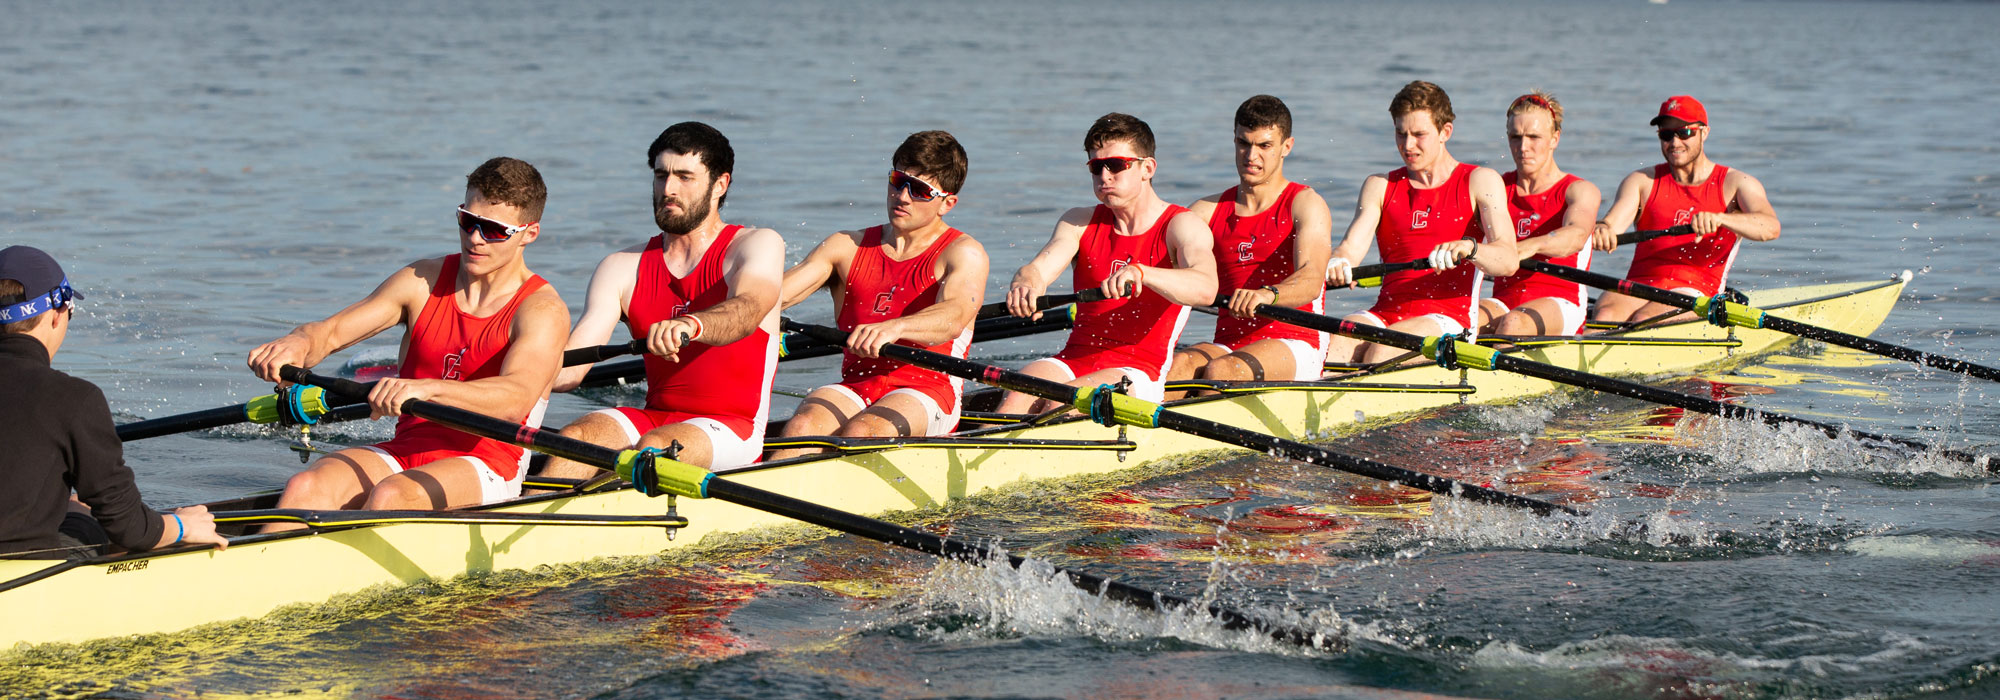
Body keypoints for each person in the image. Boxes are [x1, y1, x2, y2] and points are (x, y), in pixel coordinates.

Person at [246, 157, 569, 530]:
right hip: (408, 447)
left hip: (487, 461)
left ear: (529, 233)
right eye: (468, 221)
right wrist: (298, 343)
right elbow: (330, 333)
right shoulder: (422, 280)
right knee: (308, 484)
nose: (475, 238)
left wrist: (426, 389)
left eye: (494, 230)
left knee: (391, 496)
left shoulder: (541, 309)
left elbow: (514, 400)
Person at [546, 122, 784, 475]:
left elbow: (747, 310)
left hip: (733, 427)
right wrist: (505, 373)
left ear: (720, 184)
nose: (668, 189)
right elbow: (569, 371)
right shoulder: (620, 267)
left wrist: (691, 324)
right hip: (654, 418)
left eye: (685, 177)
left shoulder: (755, 245)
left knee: (656, 447)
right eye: (661, 175)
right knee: (576, 437)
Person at [770, 131, 988, 459]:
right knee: (801, 428)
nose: (902, 195)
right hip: (858, 385)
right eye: (898, 180)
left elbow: (955, 316)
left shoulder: (963, 253)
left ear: (947, 202)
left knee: (861, 432)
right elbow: (771, 297)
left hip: (928, 390)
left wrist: (895, 328)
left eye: (919, 190)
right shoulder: (846, 246)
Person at [0, 245, 227, 558]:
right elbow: (130, 528)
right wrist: (182, 525)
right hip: (24, 577)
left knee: (73, 505)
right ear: (57, 315)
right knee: (87, 516)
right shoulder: (75, 398)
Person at [997, 113, 1218, 413]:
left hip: (1138, 371)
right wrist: (1026, 285)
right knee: (1016, 393)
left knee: (1060, 405)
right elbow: (1037, 269)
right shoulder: (1078, 221)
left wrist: (1143, 272)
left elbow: (1206, 288)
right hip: (1073, 358)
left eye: (1116, 165)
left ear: (1147, 168)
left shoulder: (1181, 226)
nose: (1104, 176)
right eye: (1096, 166)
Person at [1324, 81, 1518, 364]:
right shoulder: (1379, 185)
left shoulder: (1480, 180)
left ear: (1445, 132)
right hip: (1386, 312)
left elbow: (1508, 260)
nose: (1408, 145)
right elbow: (1350, 249)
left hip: (1449, 318)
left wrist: (1470, 248)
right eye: (1401, 134)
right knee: (1331, 349)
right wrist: (1338, 262)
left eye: (1419, 134)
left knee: (1383, 351)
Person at [1166, 95, 1334, 391]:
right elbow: (1166, 269)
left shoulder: (1305, 203)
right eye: (1244, 143)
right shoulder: (1205, 211)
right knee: (1175, 369)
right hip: (1229, 344)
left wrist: (1267, 295)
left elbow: (1311, 278)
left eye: (1264, 146)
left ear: (1286, 147)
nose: (1251, 156)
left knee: (1221, 371)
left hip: (1296, 342)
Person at [1588, 95, 1781, 326]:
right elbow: (1612, 225)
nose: (1675, 142)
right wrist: (1601, 230)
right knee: (1605, 316)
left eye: (1684, 133)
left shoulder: (1737, 183)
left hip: (1698, 292)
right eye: (1666, 135)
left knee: (1645, 319)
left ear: (1704, 133)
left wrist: (1721, 218)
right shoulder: (1641, 181)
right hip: (1642, 282)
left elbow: (1770, 228)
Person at [1478, 92, 1603, 336]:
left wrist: (1528, 247)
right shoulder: (1495, 189)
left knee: (1513, 323)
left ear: (1555, 138)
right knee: (1465, 319)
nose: (1523, 147)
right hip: (1504, 300)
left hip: (1560, 301)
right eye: (1516, 137)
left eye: (1534, 137)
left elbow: (1575, 235)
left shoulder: (1579, 190)